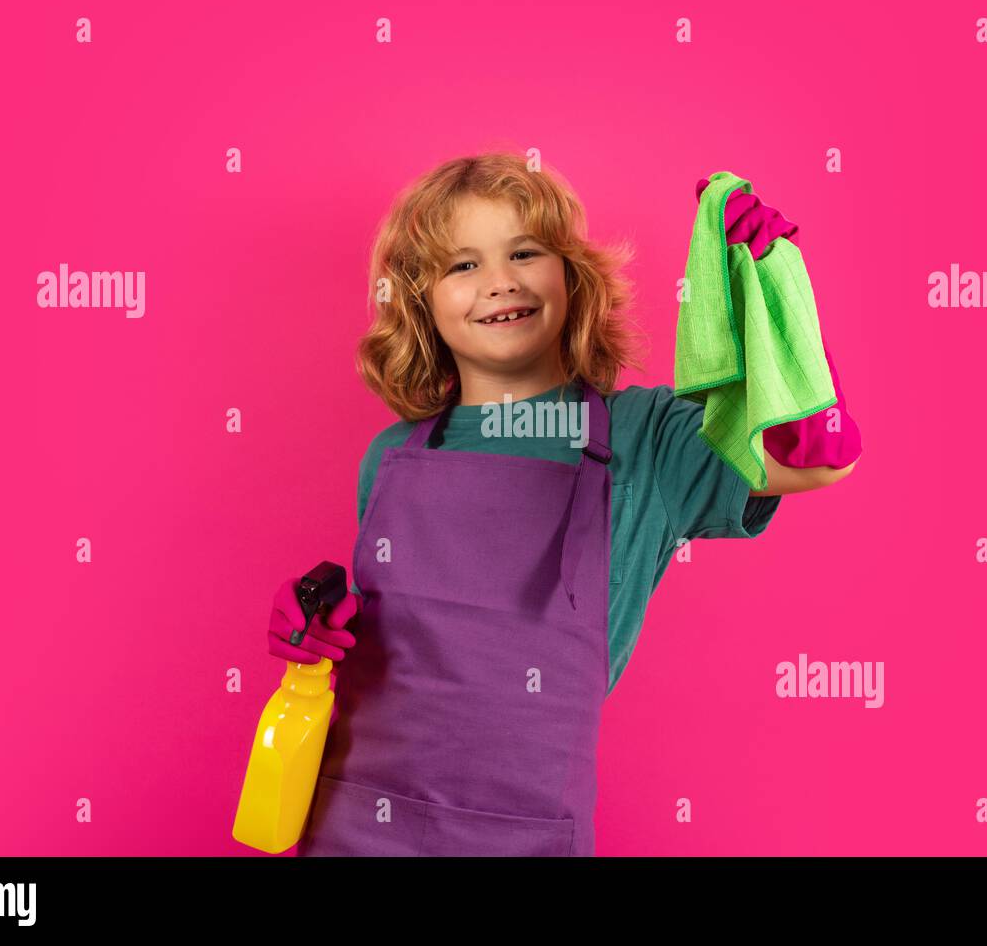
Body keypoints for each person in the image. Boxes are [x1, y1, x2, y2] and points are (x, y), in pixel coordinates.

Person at [271, 152, 858, 856]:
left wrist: (775, 290)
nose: (499, 282)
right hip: (354, 826)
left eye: (524, 252)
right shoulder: (390, 457)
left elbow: (815, 455)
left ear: (570, 278)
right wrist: (318, 634)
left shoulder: (651, 440)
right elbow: (400, 656)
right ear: (419, 301)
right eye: (461, 266)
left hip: (522, 839)